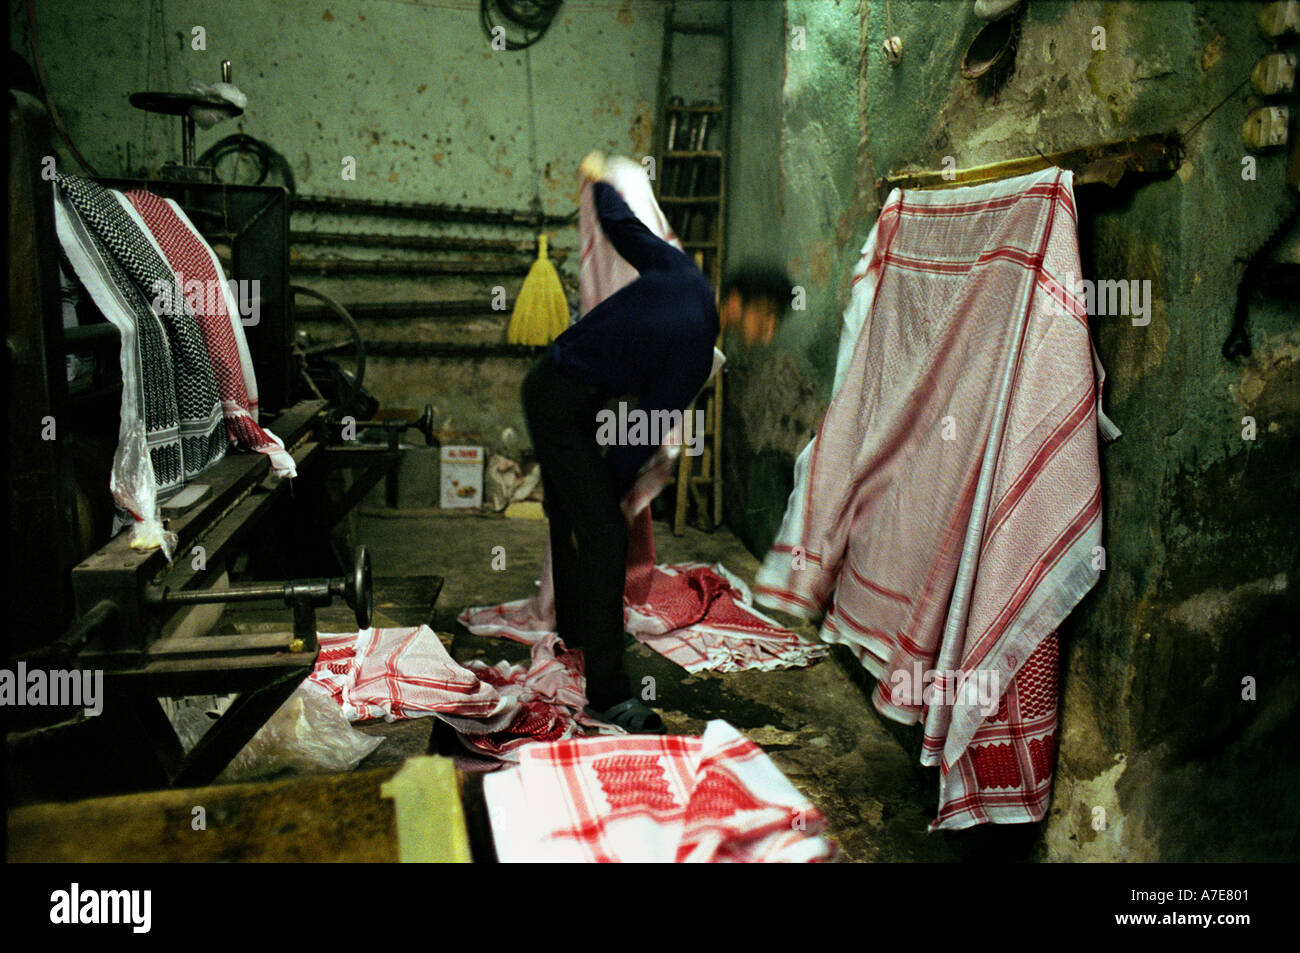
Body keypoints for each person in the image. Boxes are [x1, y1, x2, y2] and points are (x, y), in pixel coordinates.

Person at [521, 150, 791, 733]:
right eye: (765, 320)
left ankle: (576, 630)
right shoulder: (694, 349)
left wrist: (596, 179)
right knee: (603, 531)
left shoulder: (682, 273)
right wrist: (614, 494)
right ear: (738, 303)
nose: (765, 334)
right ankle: (609, 694)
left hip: (553, 388)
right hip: (561, 402)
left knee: (573, 512)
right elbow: (639, 437)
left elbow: (623, 229)